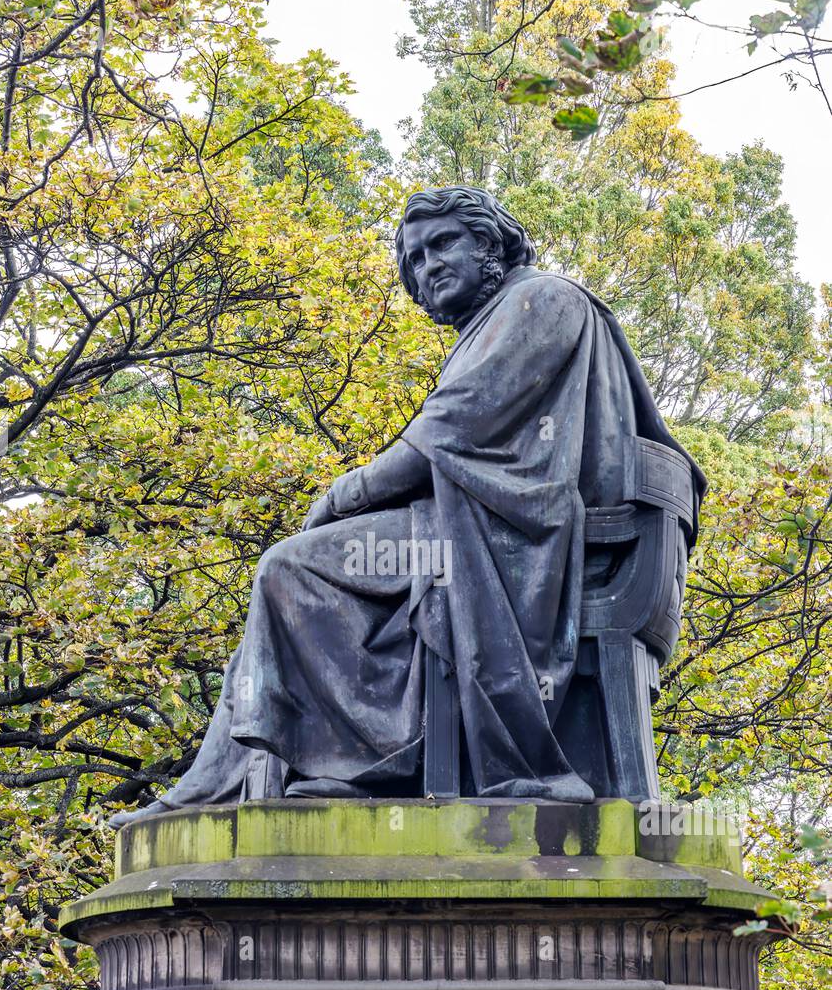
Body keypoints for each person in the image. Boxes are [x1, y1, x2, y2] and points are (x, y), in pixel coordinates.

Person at [109, 186, 704, 826]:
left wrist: (345, 494)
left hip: (530, 541)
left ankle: (355, 765)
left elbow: (450, 431)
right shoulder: (496, 319)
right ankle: (236, 779)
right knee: (290, 585)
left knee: (292, 570)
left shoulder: (541, 299)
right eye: (415, 259)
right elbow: (466, 447)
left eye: (443, 244)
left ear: (490, 245)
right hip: (489, 530)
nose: (428, 266)